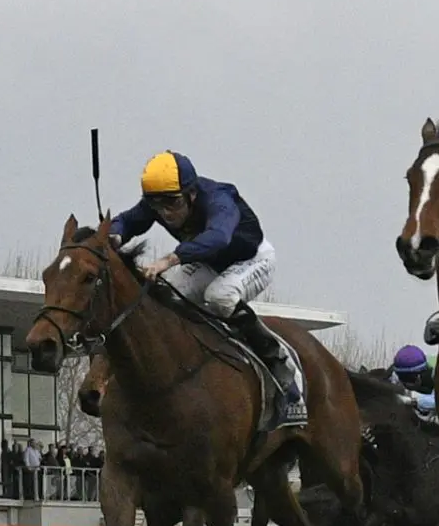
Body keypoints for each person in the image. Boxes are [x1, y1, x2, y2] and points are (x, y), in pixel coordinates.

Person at [110, 150, 304, 424]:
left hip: (251, 258)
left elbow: (218, 237)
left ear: (191, 194)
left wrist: (169, 259)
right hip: (209, 262)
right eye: (157, 205)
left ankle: (279, 361)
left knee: (219, 296)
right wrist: (114, 236)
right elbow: (127, 220)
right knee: (165, 294)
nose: (165, 213)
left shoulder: (218, 199)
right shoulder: (163, 201)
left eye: (173, 203)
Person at [388, 345, 439, 419]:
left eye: (410, 379)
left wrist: (412, 401)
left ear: (421, 374)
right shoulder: (396, 371)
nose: (407, 383)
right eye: (403, 378)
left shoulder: (438, 372)